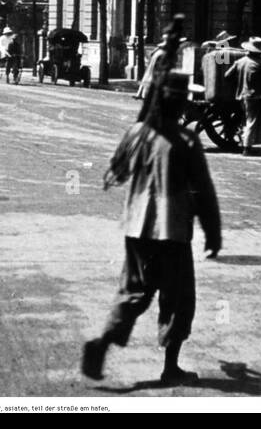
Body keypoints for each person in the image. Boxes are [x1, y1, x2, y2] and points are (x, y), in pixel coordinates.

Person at [82, 73, 222, 386]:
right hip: (172, 231)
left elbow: (116, 171)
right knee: (178, 299)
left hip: (136, 229)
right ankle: (170, 367)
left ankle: (103, 343)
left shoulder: (137, 133)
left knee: (133, 292)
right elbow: (202, 190)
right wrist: (213, 233)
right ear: (182, 104)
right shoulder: (187, 141)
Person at [225, 37, 261, 155]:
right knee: (252, 121)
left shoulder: (240, 62)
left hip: (241, 96)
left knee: (246, 120)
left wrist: (237, 82)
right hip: (254, 96)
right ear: (258, 52)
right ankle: (247, 148)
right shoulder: (259, 64)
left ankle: (246, 143)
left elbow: (227, 75)